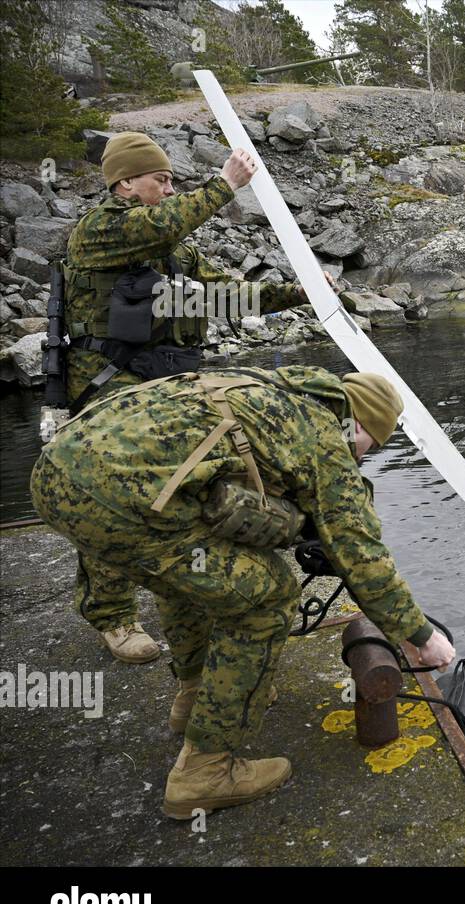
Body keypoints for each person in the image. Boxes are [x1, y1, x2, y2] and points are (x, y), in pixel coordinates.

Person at [30, 365, 455, 819]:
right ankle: (204, 774)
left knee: (188, 572)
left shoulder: (263, 386)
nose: (362, 458)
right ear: (359, 422)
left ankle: (195, 695)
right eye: (371, 445)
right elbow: (361, 553)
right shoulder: (325, 437)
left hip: (56, 474)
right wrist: (422, 636)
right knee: (268, 597)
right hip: (116, 501)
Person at [59, 131, 335, 664]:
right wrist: (226, 183)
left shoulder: (177, 252)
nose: (168, 186)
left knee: (182, 491)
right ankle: (113, 616)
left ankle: (188, 594)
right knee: (106, 496)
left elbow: (226, 293)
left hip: (166, 385)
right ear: (124, 184)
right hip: (108, 387)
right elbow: (163, 222)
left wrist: (299, 291)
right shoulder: (99, 232)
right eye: (159, 179)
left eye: (170, 179)